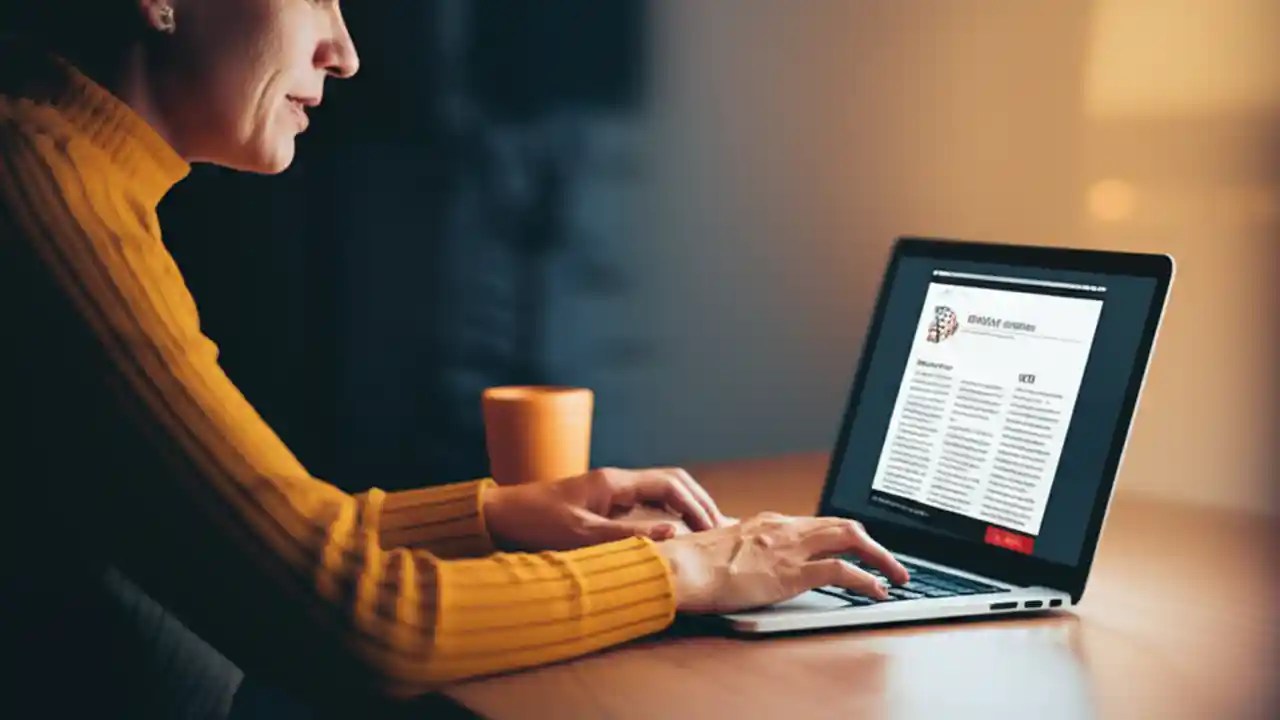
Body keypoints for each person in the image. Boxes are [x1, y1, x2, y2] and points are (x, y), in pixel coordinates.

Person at [0, 1, 907, 716]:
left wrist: (497, 516)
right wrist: (691, 570)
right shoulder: (44, 191)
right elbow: (355, 621)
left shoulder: (73, 170)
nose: (345, 52)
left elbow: (251, 530)